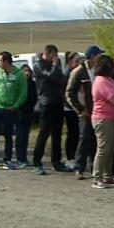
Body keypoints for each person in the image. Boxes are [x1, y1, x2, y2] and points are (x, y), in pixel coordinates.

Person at [30, 45, 69, 174]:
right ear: (49, 53)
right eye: (54, 55)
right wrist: (55, 66)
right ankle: (36, 162)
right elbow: (51, 76)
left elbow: (62, 80)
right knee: (44, 133)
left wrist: (56, 69)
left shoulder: (54, 65)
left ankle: (56, 161)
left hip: (57, 101)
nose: (56, 58)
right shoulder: (38, 64)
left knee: (57, 134)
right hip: (46, 102)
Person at [89, 54, 114, 189]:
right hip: (103, 118)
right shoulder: (101, 81)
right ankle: (97, 177)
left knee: (111, 149)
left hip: (113, 118)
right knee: (103, 148)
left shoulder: (109, 79)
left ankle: (107, 175)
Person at [0, 52, 27, 169]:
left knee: (8, 136)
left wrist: (16, 105)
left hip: (10, 109)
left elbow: (23, 93)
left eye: (0, 61)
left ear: (6, 62)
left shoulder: (19, 74)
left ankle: (7, 159)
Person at [67, 46, 101, 181]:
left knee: (96, 140)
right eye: (98, 56)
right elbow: (69, 93)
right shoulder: (79, 71)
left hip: (98, 110)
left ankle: (94, 167)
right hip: (86, 111)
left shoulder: (99, 71)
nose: (100, 58)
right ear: (92, 56)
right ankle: (79, 168)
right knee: (84, 139)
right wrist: (80, 110)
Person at [17, 64, 38, 167]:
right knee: (20, 137)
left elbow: (35, 97)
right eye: (25, 71)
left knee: (25, 137)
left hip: (29, 113)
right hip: (19, 113)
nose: (27, 73)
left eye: (29, 71)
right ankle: (20, 158)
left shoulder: (32, 84)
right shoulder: (19, 83)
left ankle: (24, 158)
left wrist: (30, 108)